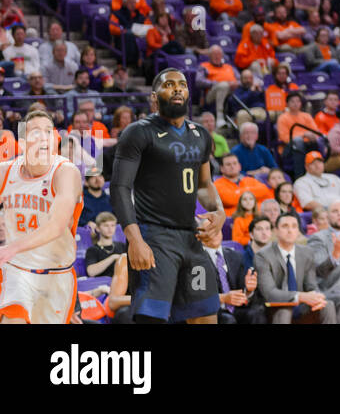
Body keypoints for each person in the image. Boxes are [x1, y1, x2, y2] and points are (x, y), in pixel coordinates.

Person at [110, 69, 223, 323]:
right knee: (152, 318)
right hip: (155, 237)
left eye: (182, 84)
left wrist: (219, 212)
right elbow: (119, 188)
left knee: (206, 314)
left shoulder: (200, 134)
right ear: (153, 98)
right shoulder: (138, 132)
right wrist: (135, 240)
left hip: (191, 239)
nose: (177, 89)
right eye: (169, 84)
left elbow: (204, 185)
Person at [0, 109, 83, 323]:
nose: (43, 136)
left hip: (56, 275)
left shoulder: (66, 172)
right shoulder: (6, 171)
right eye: (36, 131)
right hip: (16, 271)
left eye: (48, 130)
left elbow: (57, 225)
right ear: (23, 141)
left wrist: (12, 247)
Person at [255, 212, 340, 324]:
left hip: (301, 306)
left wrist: (316, 298)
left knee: (327, 305)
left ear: (298, 231)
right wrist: (300, 296)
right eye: (285, 226)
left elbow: (311, 285)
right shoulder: (263, 255)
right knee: (285, 311)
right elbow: (270, 293)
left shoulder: (306, 252)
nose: (290, 230)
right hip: (274, 307)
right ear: (276, 231)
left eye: (294, 226)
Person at [84, 211, 127, 278]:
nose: (110, 229)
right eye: (106, 225)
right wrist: (112, 257)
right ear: (98, 229)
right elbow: (91, 272)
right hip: (102, 285)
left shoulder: (122, 246)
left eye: (112, 225)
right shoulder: (93, 250)